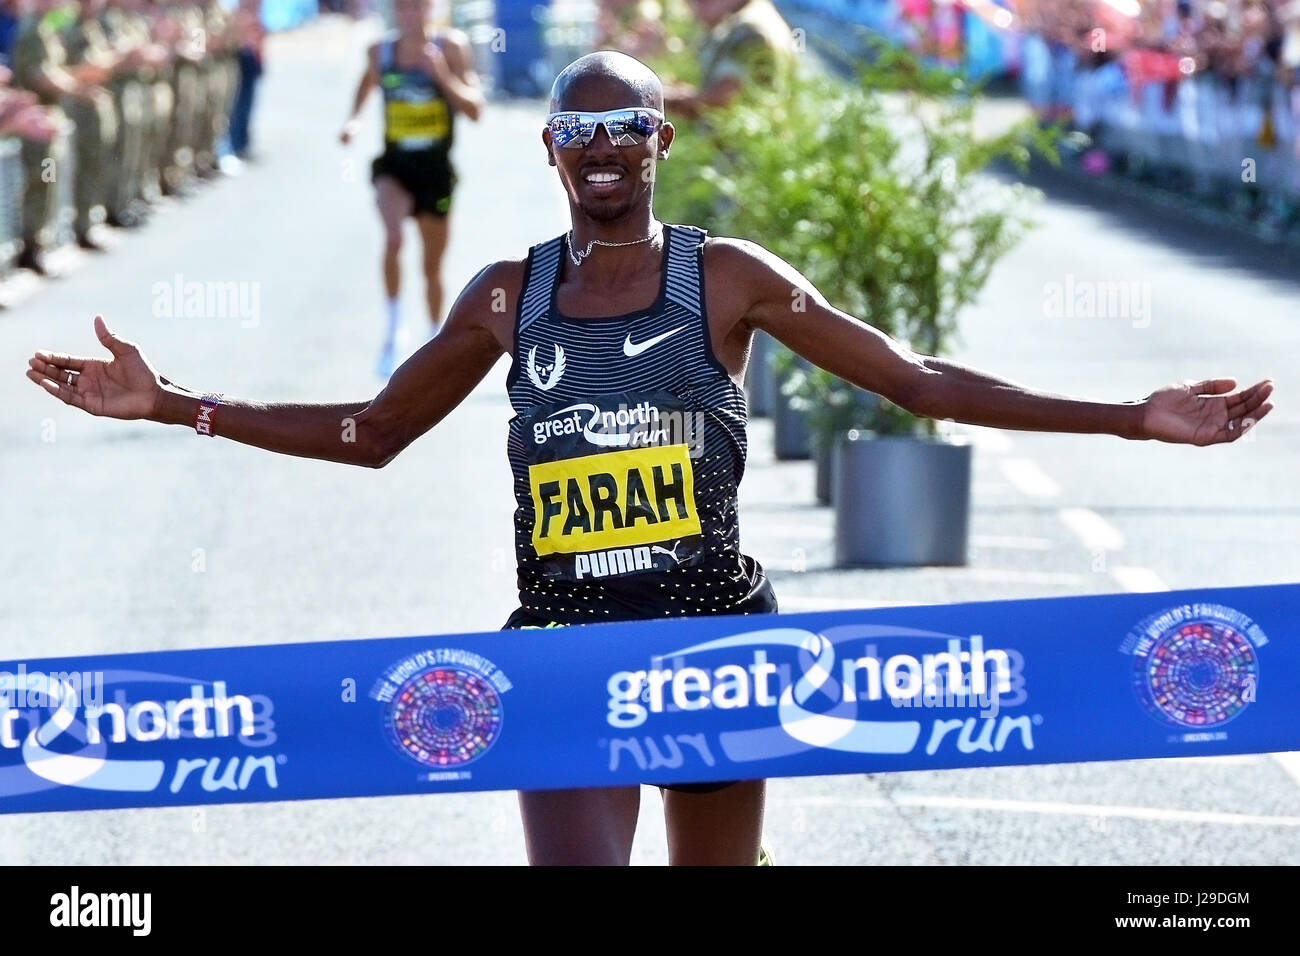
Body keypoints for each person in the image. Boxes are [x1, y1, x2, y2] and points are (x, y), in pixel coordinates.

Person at [26, 51, 1275, 866]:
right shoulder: (510, 296)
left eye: (628, 124)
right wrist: (173, 404)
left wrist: (1127, 415)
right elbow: (373, 434)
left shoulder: (726, 278)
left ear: (660, 139)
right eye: (582, 129)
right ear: (552, 151)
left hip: (716, 640)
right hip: (563, 646)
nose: (605, 147)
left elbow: (915, 379)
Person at [339, 0, 483, 378]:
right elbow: (366, 84)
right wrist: (353, 122)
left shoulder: (450, 48)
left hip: (435, 170)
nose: (410, 12)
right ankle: (391, 332)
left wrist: (441, 76)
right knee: (392, 239)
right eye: (403, 6)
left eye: (418, 5)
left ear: (431, 8)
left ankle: (434, 343)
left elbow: (474, 109)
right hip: (395, 167)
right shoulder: (379, 51)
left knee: (431, 267)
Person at [662, 0, 795, 118]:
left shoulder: (749, 28)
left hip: (743, 142)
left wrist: (665, 96)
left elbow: (726, 100)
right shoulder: (755, 17)